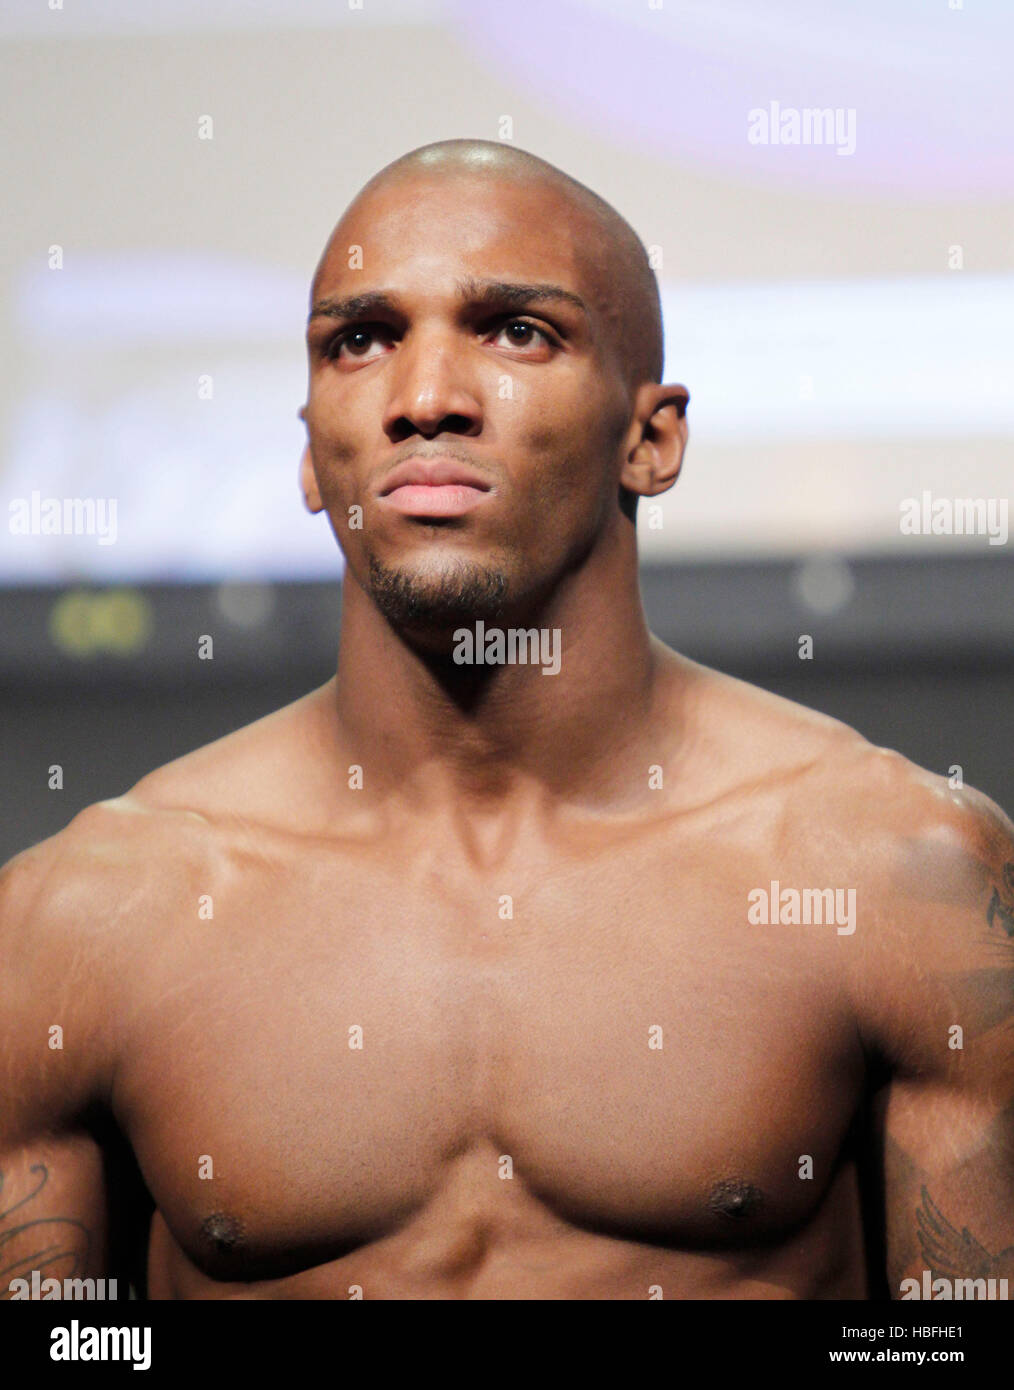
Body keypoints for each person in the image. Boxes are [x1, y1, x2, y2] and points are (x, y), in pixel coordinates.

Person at [2, 140, 1012, 1301]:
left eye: (517, 331)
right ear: (309, 451)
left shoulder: (896, 877)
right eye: (361, 340)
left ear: (651, 439)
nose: (425, 398)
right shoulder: (81, 925)